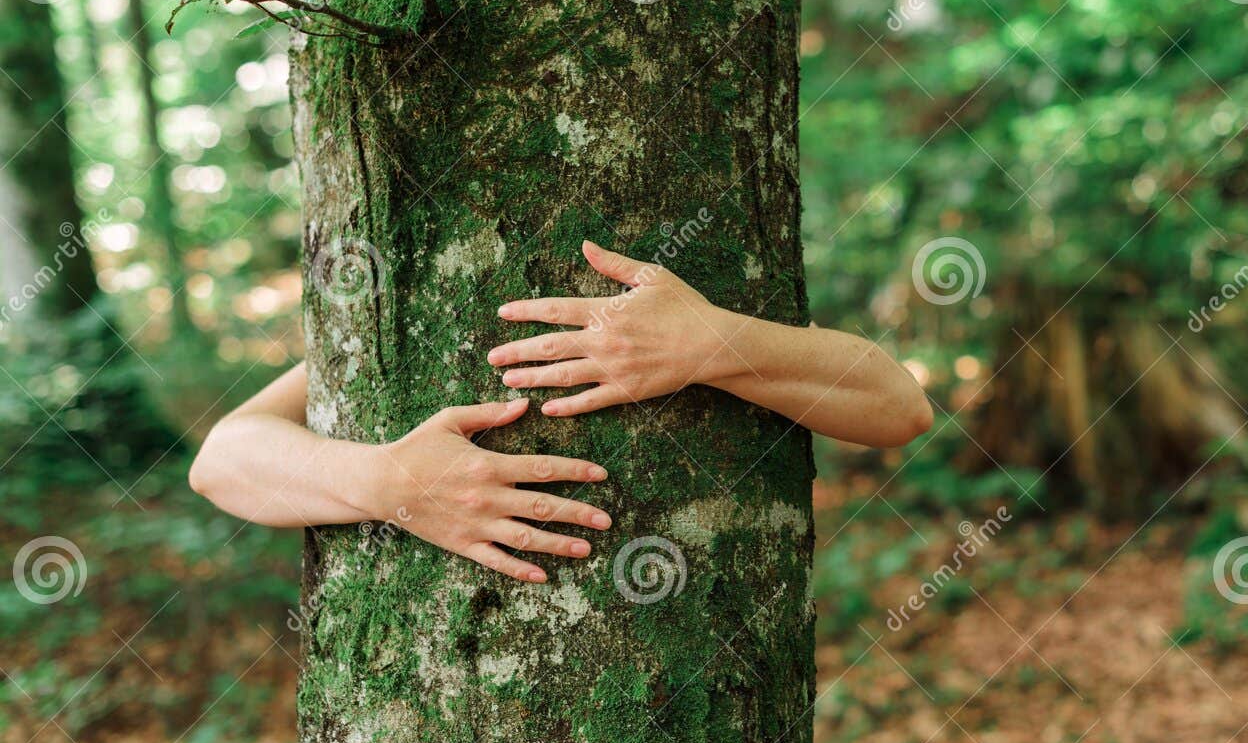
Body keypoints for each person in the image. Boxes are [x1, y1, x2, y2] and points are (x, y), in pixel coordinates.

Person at [190, 240, 933, 582]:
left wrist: (710, 341)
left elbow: (897, 407)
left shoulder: (683, 295)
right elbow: (221, 461)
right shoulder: (397, 318)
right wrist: (389, 482)